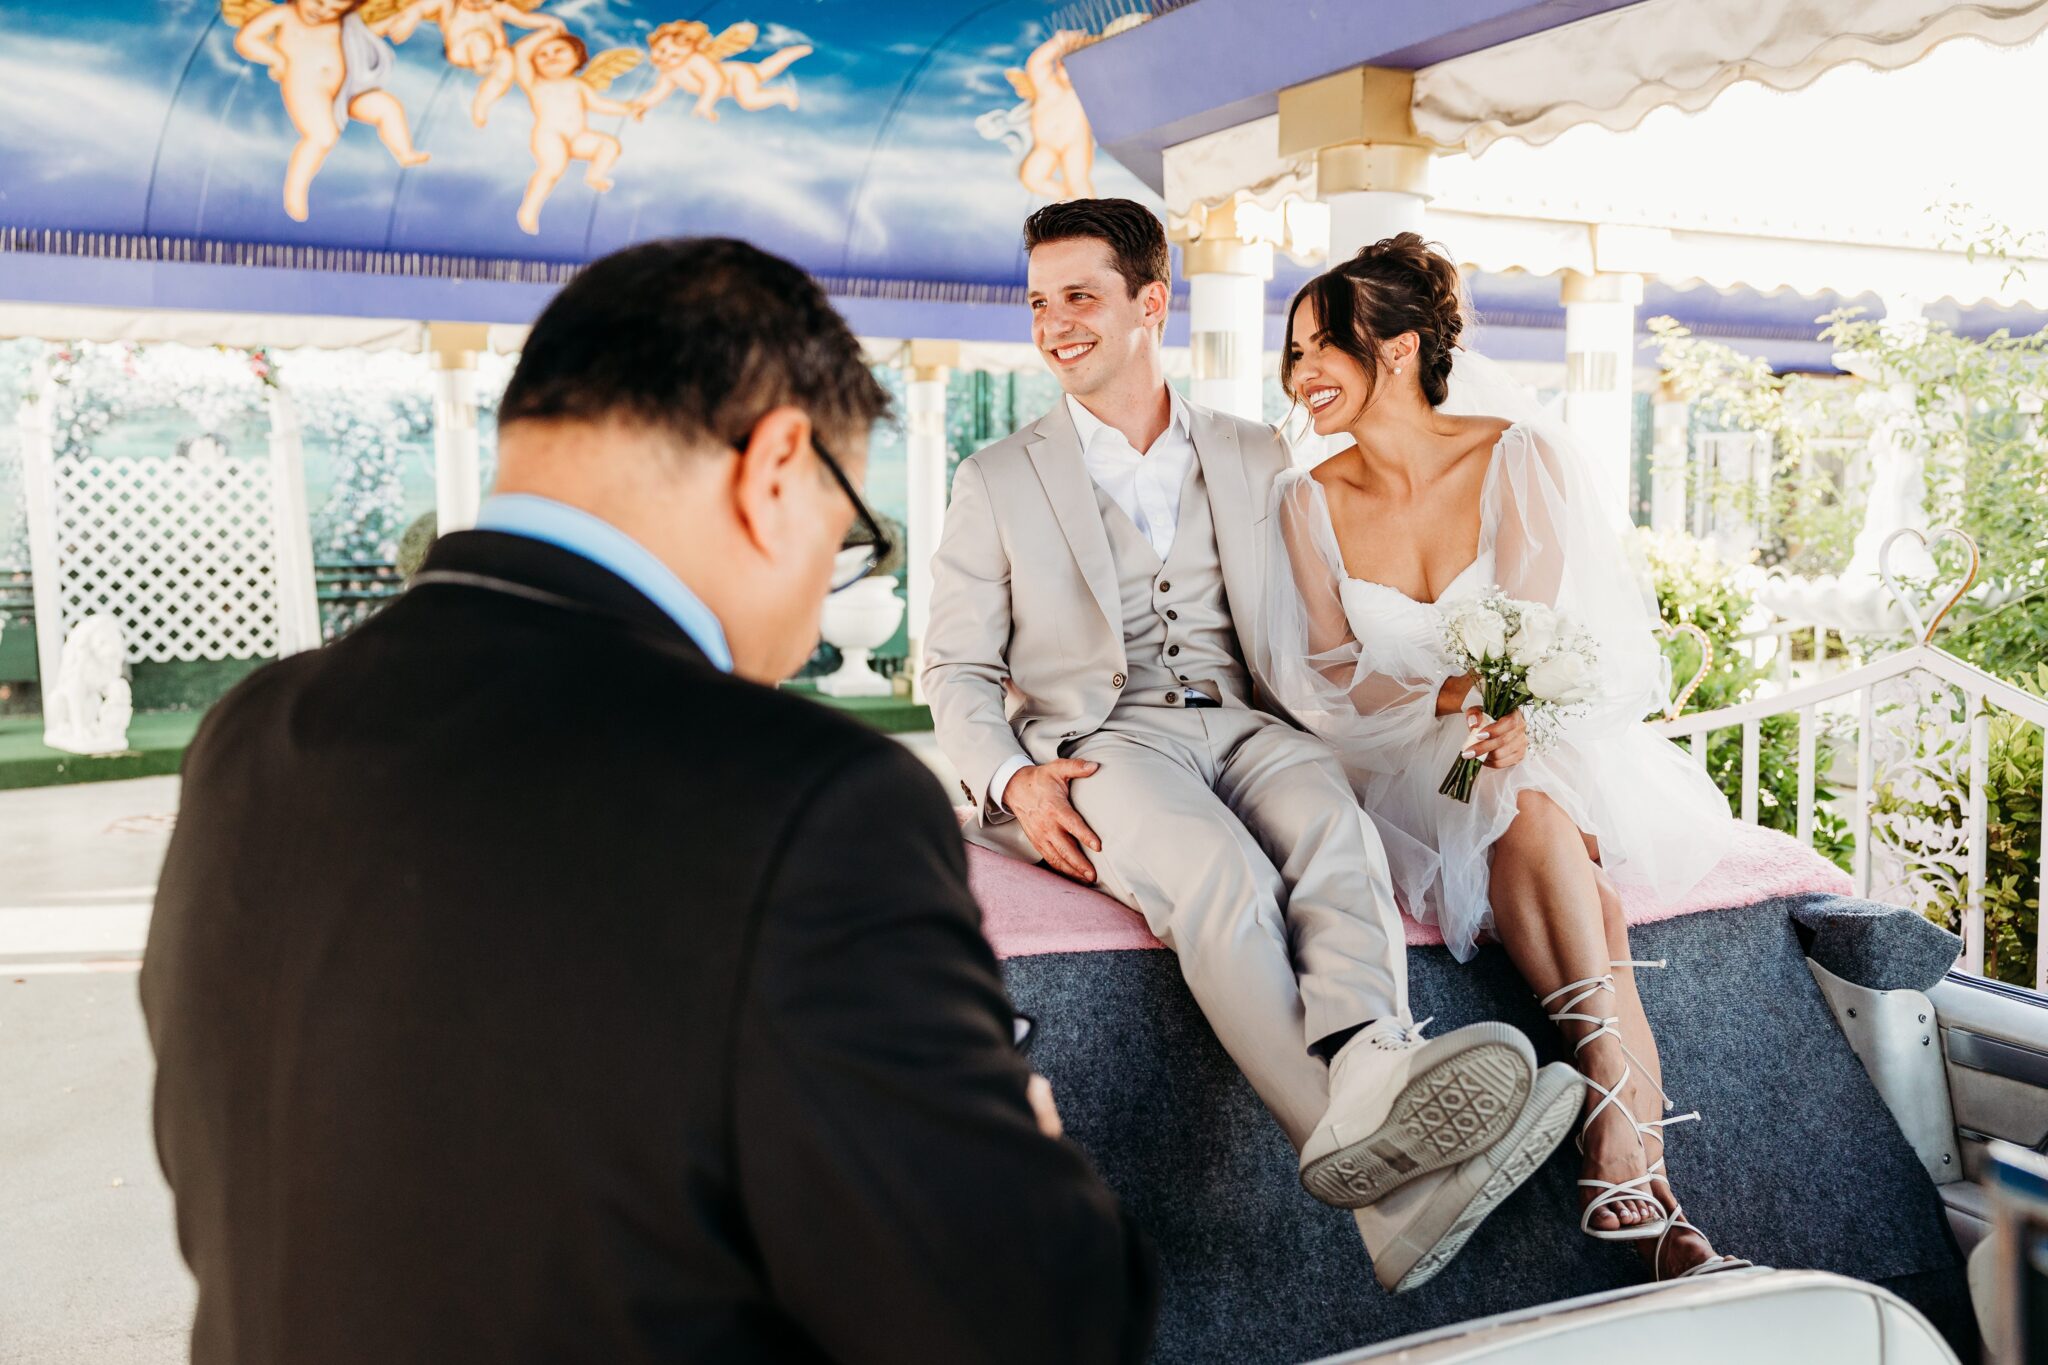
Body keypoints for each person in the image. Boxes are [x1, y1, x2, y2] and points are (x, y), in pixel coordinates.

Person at [141, 236, 1158, 1364]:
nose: (820, 601)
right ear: (776, 467)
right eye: (843, 539)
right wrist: (1025, 1144)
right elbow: (1029, 1325)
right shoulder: (805, 799)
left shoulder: (253, 733)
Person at [923, 198, 1584, 1295]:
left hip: (1247, 720)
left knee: (1331, 823)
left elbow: (1330, 612)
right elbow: (951, 669)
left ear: (1150, 302)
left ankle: (1377, 1068)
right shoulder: (993, 478)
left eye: (1078, 297)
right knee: (1218, 876)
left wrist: (1468, 682)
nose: (1053, 325)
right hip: (1099, 742)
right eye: (1038, 303)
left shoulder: (1249, 450)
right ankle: (1379, 1176)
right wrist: (1011, 780)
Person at [1267, 233, 1751, 1282]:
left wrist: (1513, 716)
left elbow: (1536, 649)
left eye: (1319, 350)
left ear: (1395, 350)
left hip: (1525, 739)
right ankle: (1627, 1143)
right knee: (1541, 833)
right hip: (1385, 754)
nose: (1298, 375)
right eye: (1292, 352)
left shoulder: (1516, 455)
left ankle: (1625, 1146)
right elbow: (1320, 681)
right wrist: (1446, 697)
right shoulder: (1304, 500)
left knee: (1524, 800)